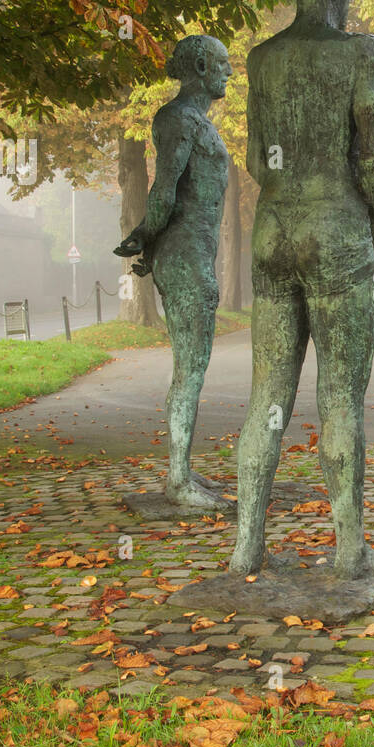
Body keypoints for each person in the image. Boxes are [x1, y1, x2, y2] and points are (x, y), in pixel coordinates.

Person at [229, 0, 374, 577]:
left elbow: (253, 156)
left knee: (265, 394)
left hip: (274, 226)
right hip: (335, 226)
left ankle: (247, 546)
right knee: (340, 397)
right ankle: (349, 550)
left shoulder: (262, 58)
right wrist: (369, 225)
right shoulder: (360, 52)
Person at [114, 34, 232, 509]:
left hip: (192, 252)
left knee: (194, 365)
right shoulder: (179, 119)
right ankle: (178, 478)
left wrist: (150, 240)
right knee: (190, 368)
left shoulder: (197, 121)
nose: (229, 72)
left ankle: (182, 469)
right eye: (223, 63)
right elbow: (164, 191)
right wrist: (145, 235)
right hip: (185, 255)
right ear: (202, 66)